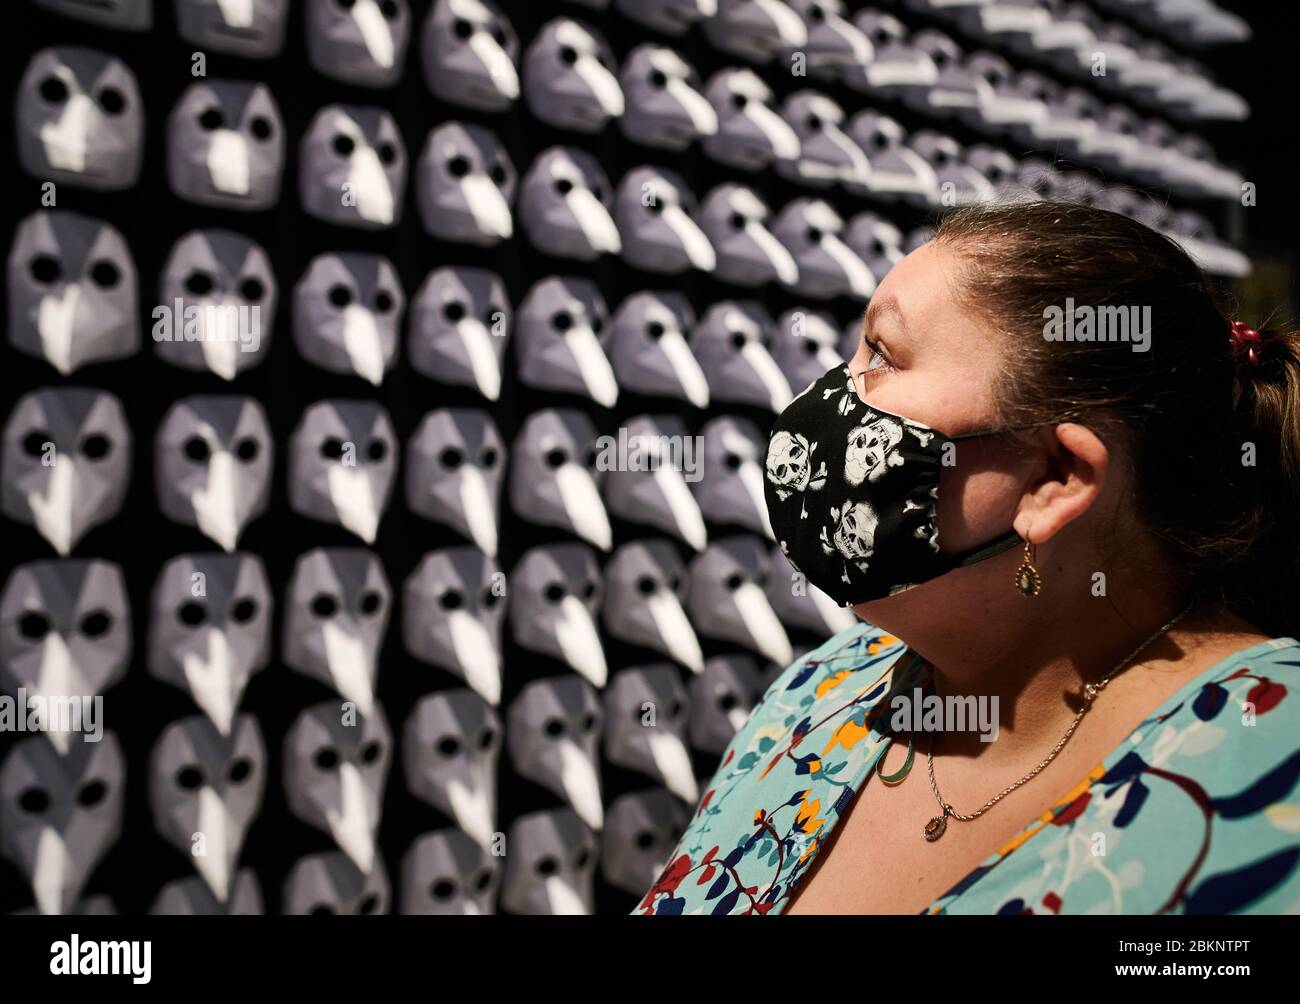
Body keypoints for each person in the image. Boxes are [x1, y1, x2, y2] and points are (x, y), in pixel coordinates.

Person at [634, 201, 1300, 915]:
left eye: (881, 356)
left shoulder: (1268, 769)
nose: (827, 394)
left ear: (1055, 480)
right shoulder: (826, 687)